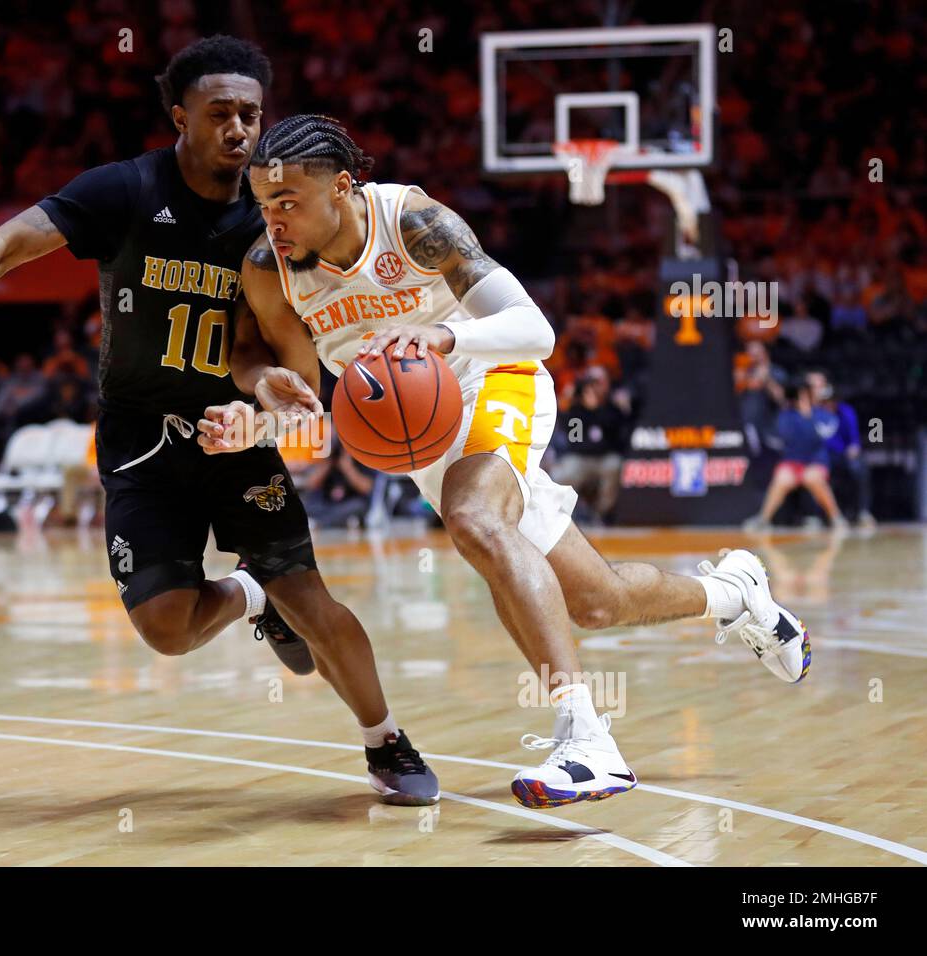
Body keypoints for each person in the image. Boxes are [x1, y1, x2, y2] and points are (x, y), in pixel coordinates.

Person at [0, 38, 438, 805]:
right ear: (180, 117)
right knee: (167, 630)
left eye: (250, 114)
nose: (240, 130)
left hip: (234, 434)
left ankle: (386, 742)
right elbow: (6, 241)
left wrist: (271, 392)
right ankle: (248, 595)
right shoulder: (127, 190)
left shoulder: (273, 217)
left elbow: (268, 349)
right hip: (139, 434)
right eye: (220, 114)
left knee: (313, 597)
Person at [202, 114, 812, 809]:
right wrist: (253, 418)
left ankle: (588, 742)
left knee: (474, 516)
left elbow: (535, 330)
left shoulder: (414, 222)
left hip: (492, 380)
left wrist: (440, 336)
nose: (272, 219)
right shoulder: (267, 270)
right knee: (596, 601)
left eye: (288, 203)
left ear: (342, 187)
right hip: (417, 434)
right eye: (263, 204)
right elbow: (304, 401)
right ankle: (736, 592)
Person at [745, 381, 848, 530]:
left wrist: (807, 416)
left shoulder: (822, 415)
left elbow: (820, 435)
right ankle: (763, 519)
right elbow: (784, 437)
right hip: (792, 461)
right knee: (781, 478)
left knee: (812, 478)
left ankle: (836, 517)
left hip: (815, 461)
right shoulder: (786, 415)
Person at [551, 367, 627, 524]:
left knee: (614, 464)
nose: (595, 389)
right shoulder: (576, 409)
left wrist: (597, 409)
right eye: (591, 384)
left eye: (598, 383)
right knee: (560, 474)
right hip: (580, 458)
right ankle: (564, 514)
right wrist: (569, 404)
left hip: (603, 459)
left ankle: (600, 514)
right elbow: (574, 440)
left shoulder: (613, 405)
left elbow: (616, 433)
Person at [806, 369, 875, 527]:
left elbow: (854, 440)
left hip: (843, 455)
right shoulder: (811, 412)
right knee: (812, 469)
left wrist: (854, 448)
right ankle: (814, 515)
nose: (829, 401)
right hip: (820, 456)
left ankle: (863, 512)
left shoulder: (845, 411)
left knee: (859, 467)